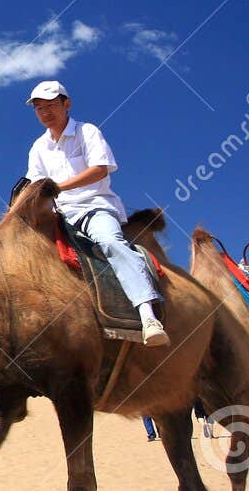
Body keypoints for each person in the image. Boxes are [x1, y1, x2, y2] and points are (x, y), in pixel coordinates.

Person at [22, 80, 167, 345]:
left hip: (94, 206)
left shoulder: (86, 132)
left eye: (51, 105)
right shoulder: (38, 147)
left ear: (67, 104)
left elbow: (100, 169)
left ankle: (147, 314)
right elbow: (36, 185)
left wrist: (58, 188)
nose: (45, 112)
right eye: (39, 108)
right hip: (60, 215)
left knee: (111, 242)